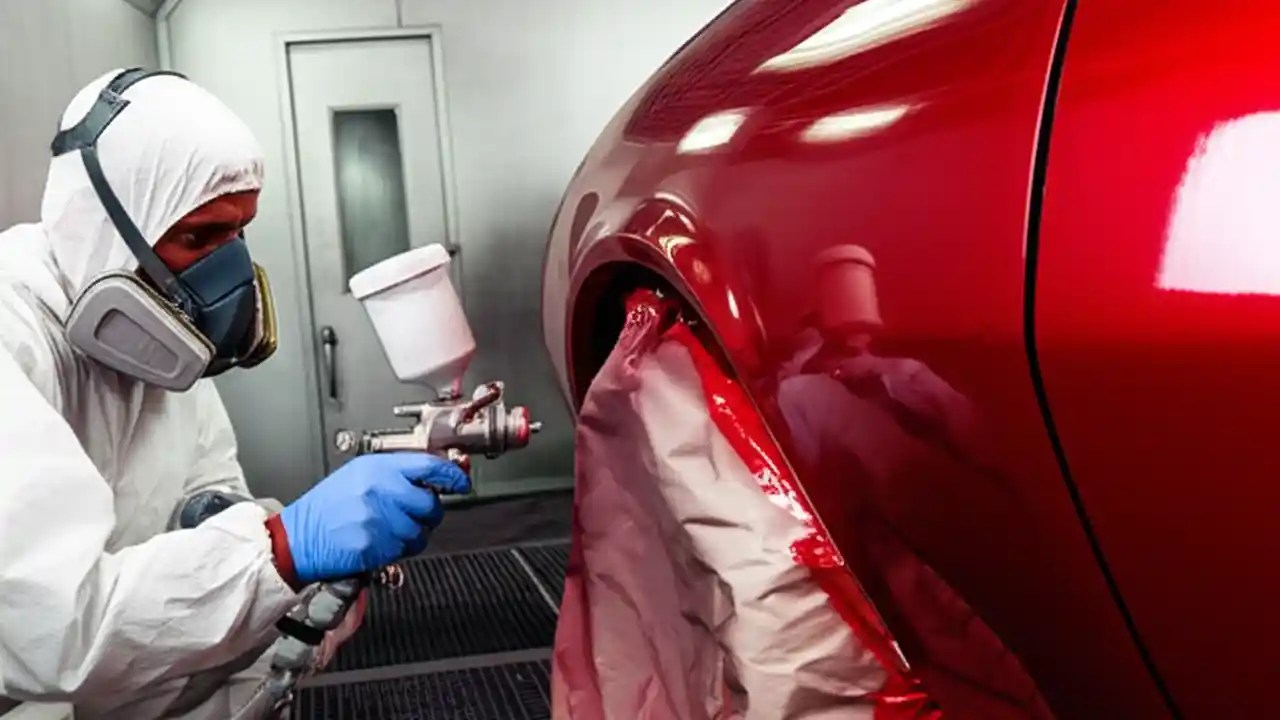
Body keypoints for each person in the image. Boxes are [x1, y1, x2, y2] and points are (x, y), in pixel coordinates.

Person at [0, 69, 469, 719]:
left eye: (238, 233)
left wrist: (255, 542)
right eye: (199, 238)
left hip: (124, 673)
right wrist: (280, 549)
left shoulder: (157, 341)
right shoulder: (13, 334)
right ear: (108, 230)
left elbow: (204, 486)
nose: (229, 274)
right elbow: (53, 631)